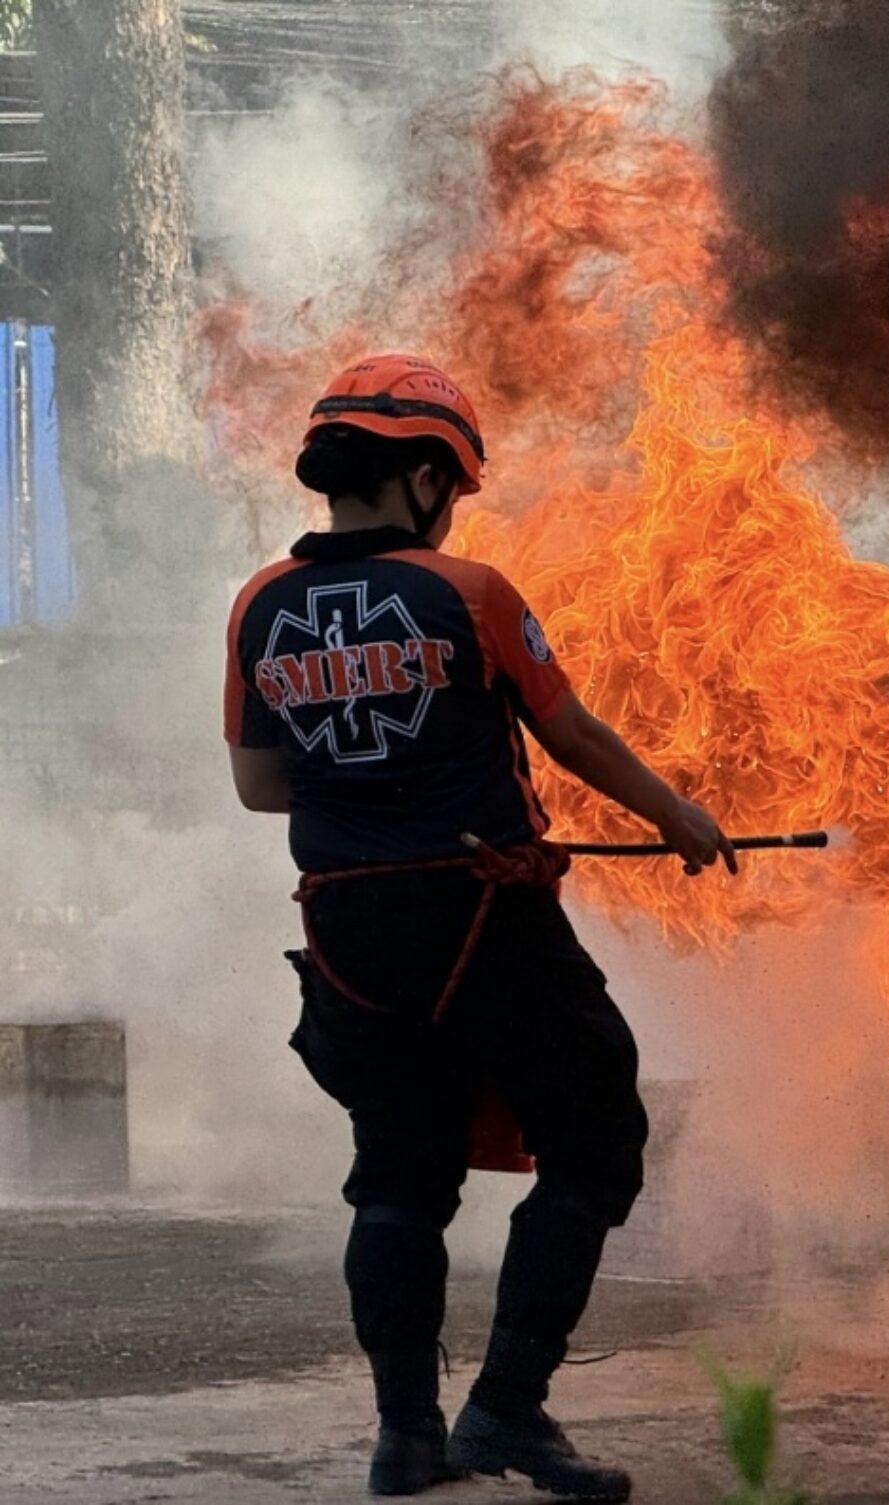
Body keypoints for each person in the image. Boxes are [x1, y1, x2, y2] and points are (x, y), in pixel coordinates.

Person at [224, 354, 734, 1501]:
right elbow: (574, 735)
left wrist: (366, 785)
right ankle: (505, 1407)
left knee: (397, 1180)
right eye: (449, 483)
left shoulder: (258, 604)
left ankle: (405, 1437)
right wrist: (679, 814)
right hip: (482, 917)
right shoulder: (471, 592)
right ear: (418, 475)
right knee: (597, 1137)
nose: (453, 506)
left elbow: (262, 787)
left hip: (349, 931)